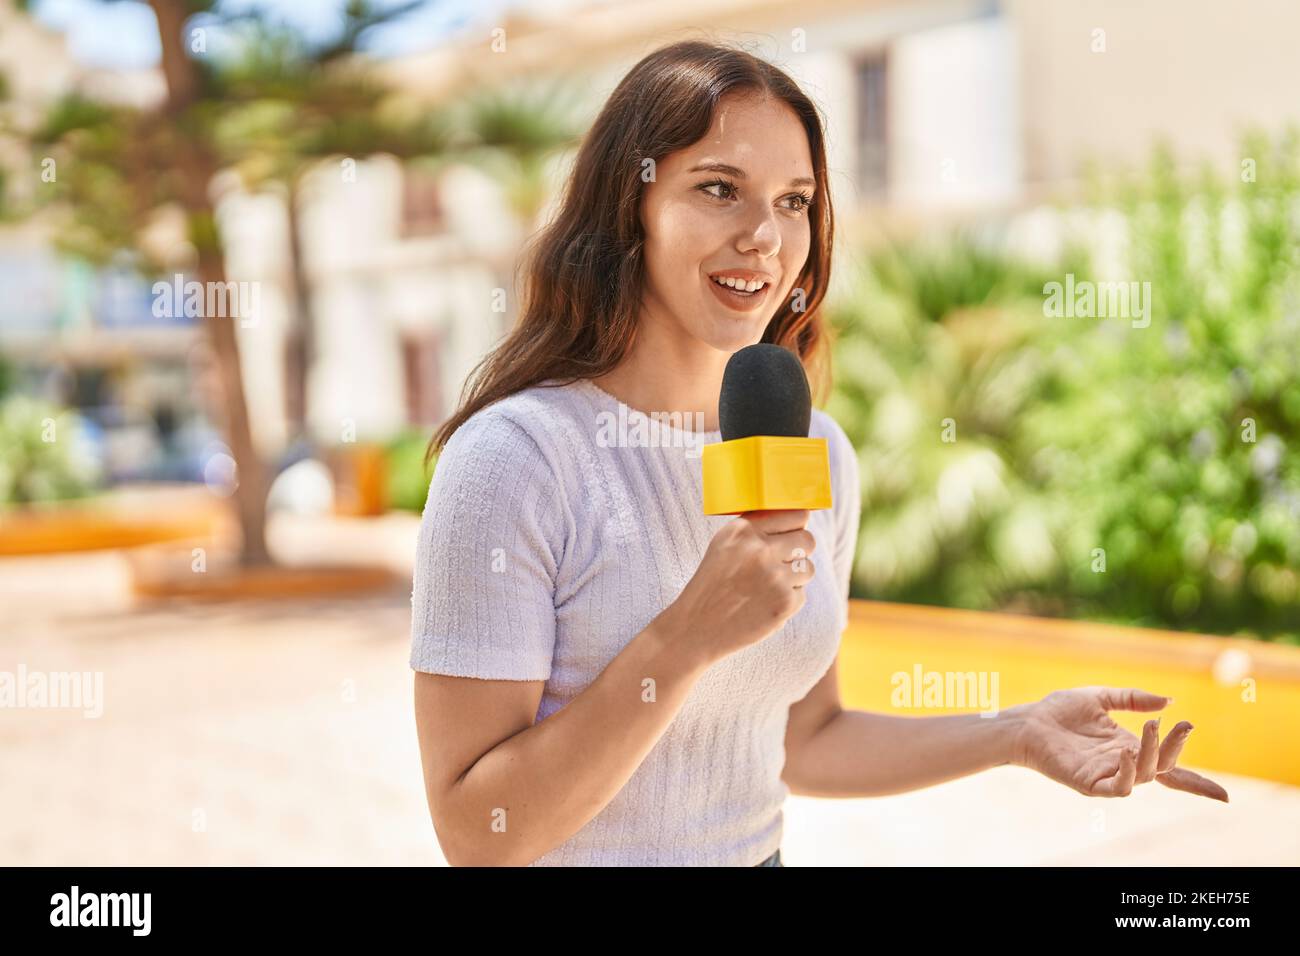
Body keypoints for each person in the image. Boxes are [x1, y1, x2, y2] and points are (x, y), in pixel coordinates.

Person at [410, 40, 1228, 868]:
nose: (763, 236)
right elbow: (478, 834)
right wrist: (685, 639)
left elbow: (806, 737)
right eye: (719, 189)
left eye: (794, 200)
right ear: (633, 205)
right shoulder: (514, 463)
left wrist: (1016, 731)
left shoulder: (819, 452)